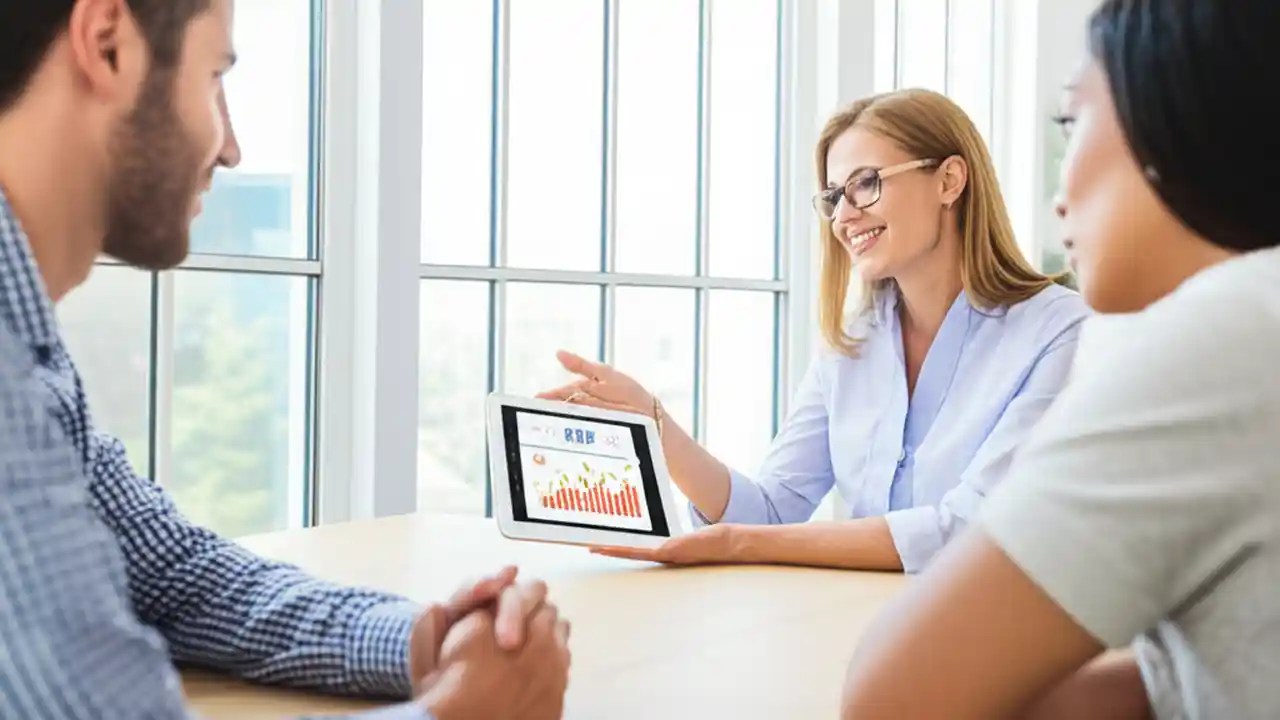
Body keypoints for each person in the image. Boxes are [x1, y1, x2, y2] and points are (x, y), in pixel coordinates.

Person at [0, 1, 568, 718]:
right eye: (213, 78)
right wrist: (463, 711)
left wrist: (426, 640)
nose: (230, 147)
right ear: (107, 43)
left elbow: (175, 577)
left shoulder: (32, 359)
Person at [841, 1, 1280, 718]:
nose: (1058, 191)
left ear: (1178, 106)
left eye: (1071, 123)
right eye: (835, 195)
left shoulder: (1230, 332)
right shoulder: (858, 339)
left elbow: (893, 699)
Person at [541, 89, 1088, 573]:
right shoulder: (850, 345)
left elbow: (972, 531)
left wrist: (739, 546)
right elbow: (773, 512)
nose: (844, 216)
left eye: (866, 185)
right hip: (854, 629)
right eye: (832, 198)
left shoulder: (1058, 332)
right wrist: (657, 428)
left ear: (949, 180)